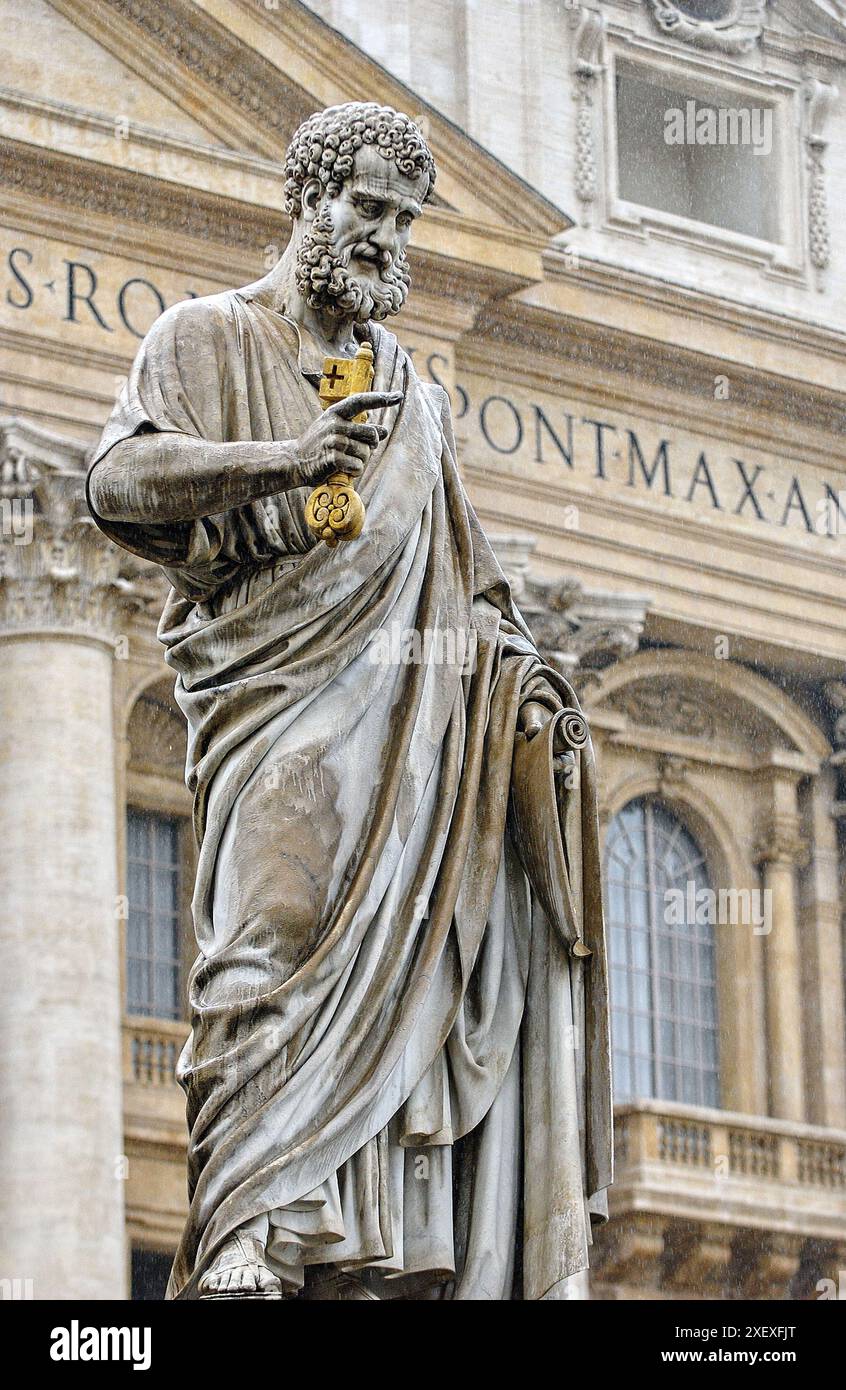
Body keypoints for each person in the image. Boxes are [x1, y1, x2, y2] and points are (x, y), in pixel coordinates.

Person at [87, 102, 611, 1301]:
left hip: (407, 735)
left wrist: (528, 698)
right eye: (366, 207)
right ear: (306, 199)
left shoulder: (414, 396)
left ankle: (349, 1240)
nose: (384, 236)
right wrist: (283, 460)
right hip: (273, 705)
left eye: (403, 217)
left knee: (401, 967)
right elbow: (117, 482)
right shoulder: (204, 337)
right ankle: (237, 1230)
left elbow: (470, 588)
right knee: (266, 939)